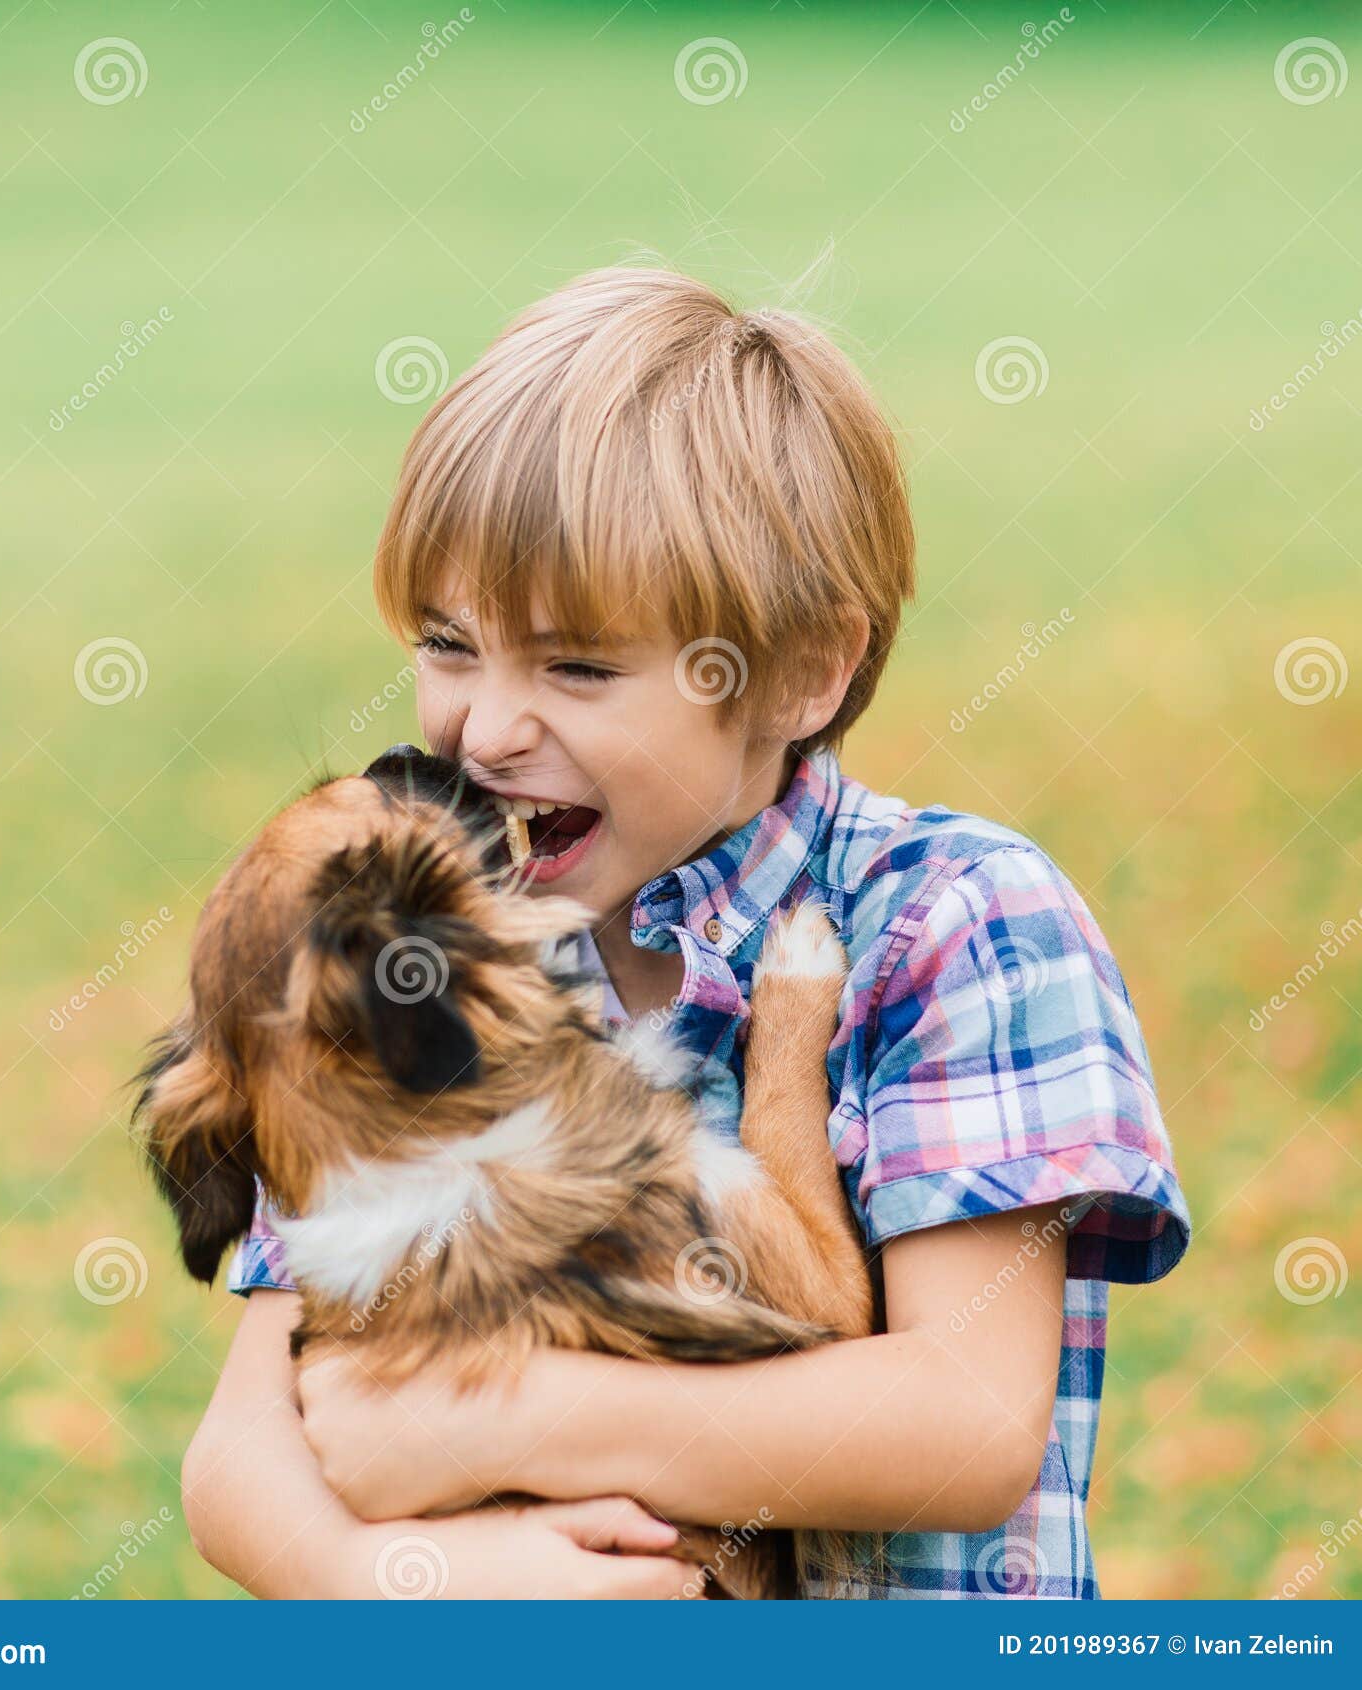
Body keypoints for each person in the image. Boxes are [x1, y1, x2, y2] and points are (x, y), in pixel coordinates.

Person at [178, 266, 1189, 1599]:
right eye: (448, 644)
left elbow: (966, 1421)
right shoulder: (424, 972)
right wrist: (414, 1572)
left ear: (804, 669)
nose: (484, 729)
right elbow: (243, 1445)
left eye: (577, 666)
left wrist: (499, 1415)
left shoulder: (955, 923)